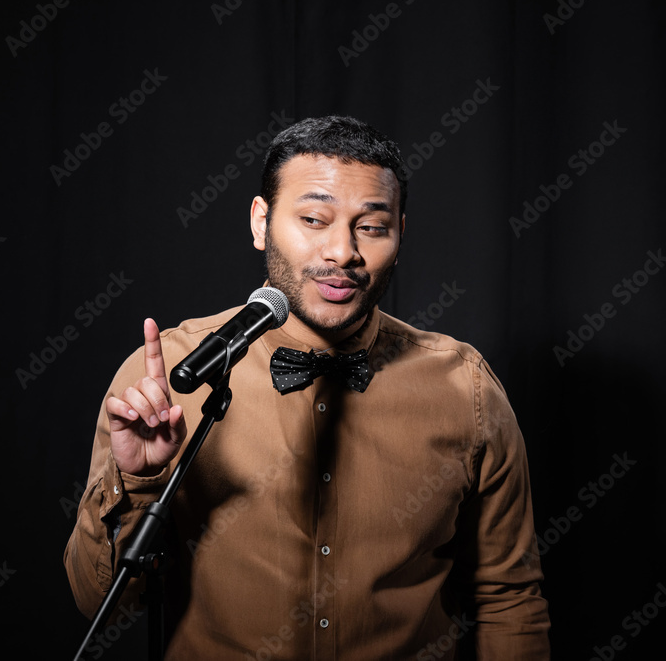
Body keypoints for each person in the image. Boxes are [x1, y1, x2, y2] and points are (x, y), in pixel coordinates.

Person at [64, 115, 551, 659]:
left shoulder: (467, 389)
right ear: (260, 222)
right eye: (314, 219)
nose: (343, 252)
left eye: (370, 226)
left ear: (401, 234)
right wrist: (137, 480)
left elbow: (508, 601)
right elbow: (97, 602)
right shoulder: (168, 379)